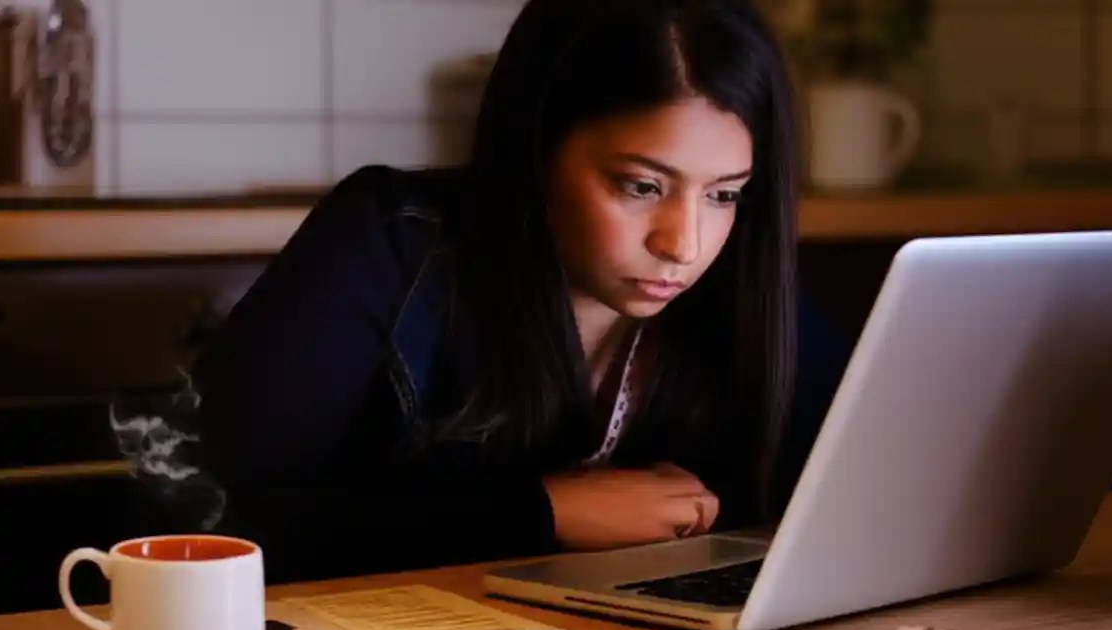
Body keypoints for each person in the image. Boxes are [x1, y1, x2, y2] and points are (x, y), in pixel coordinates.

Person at [114, 0, 849, 584]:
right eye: (641, 186)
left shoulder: (745, 284)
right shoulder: (392, 244)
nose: (683, 244)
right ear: (536, 147)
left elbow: (848, 495)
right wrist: (537, 513)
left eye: (724, 195)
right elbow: (191, 519)